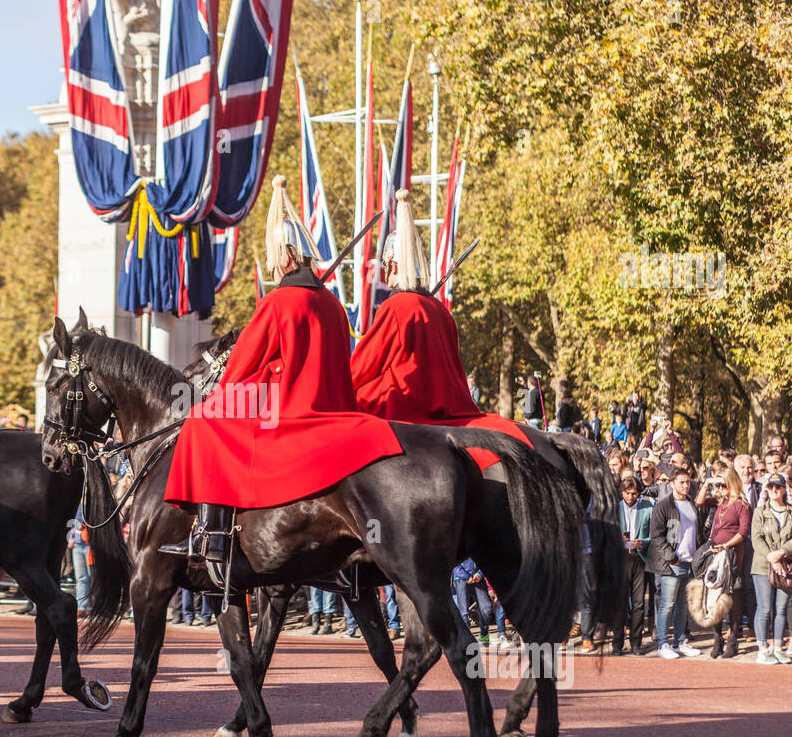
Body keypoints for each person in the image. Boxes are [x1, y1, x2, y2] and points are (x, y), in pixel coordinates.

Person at [162, 176, 402, 562]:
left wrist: (223, 393)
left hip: (288, 411)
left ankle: (213, 534)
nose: (273, 264)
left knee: (201, 421)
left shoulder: (279, 302)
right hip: (333, 406)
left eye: (274, 256)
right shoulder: (334, 305)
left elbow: (239, 370)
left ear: (288, 256)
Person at [348, 189, 532, 465]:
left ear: (394, 265)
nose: (386, 275)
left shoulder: (395, 308)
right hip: (448, 407)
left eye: (387, 267)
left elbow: (362, 367)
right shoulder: (441, 311)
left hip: (406, 410)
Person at [646, 468, 703, 658]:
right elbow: (656, 535)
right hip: (672, 563)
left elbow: (698, 533)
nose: (686, 485)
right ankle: (663, 644)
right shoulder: (663, 506)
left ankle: (680, 642)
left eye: (688, 482)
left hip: (690, 561)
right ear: (672, 483)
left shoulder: (692, 504)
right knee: (667, 604)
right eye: (681, 482)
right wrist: (672, 558)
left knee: (682, 605)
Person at [696, 466, 752, 659]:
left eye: (723, 484)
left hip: (732, 553)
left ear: (731, 483)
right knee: (714, 594)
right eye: (718, 485)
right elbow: (699, 502)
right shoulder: (721, 502)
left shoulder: (741, 504)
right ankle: (717, 637)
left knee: (732, 594)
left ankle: (733, 639)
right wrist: (708, 483)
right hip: (714, 551)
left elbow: (743, 532)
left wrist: (727, 545)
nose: (720, 488)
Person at [750, 473, 792, 664]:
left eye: (777, 487)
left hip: (786, 564)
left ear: (783, 489)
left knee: (781, 609)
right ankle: (763, 648)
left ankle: (778, 646)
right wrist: (772, 558)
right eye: (770, 487)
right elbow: (756, 538)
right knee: (764, 608)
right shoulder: (760, 512)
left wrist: (781, 553)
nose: (774, 490)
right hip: (763, 565)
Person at [615, 476, 653, 654]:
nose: (631, 497)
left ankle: (636, 642)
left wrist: (643, 542)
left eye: (634, 493)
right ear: (622, 493)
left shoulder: (647, 508)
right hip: (620, 558)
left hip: (639, 558)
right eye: (627, 493)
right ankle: (617, 643)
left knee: (638, 603)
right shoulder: (615, 509)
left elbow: (655, 534)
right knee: (620, 602)